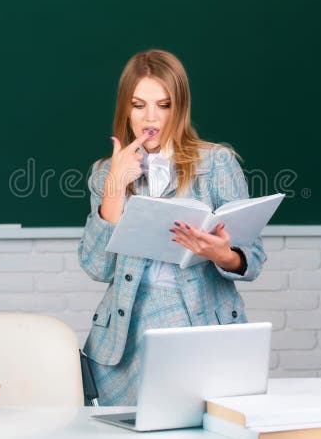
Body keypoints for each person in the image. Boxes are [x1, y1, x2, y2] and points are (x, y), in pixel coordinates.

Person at [78, 49, 267, 406]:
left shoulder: (217, 162)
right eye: (139, 105)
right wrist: (115, 188)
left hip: (198, 324)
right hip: (126, 334)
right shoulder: (106, 172)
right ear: (125, 108)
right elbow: (97, 267)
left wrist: (223, 254)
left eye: (163, 105)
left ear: (179, 108)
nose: (151, 118)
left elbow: (253, 259)